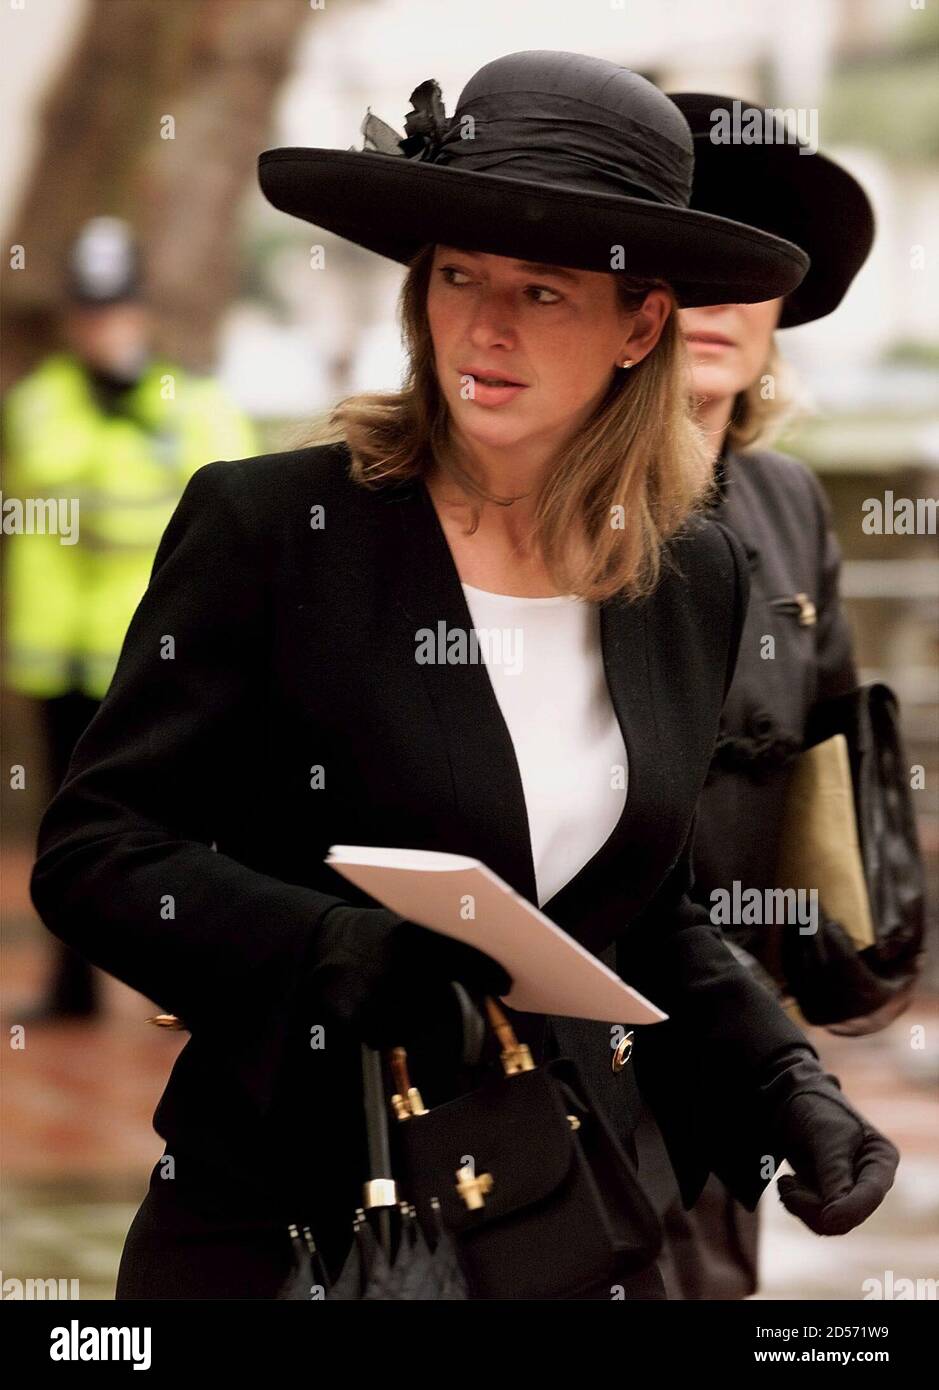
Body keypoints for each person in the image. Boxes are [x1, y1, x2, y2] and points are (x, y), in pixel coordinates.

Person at [29, 52, 897, 1302]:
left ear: (641, 323)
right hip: (291, 1228)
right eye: (457, 278)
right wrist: (331, 950)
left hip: (570, 1215)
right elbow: (97, 853)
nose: (483, 329)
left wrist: (783, 1084)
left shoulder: (693, 574)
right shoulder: (271, 527)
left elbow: (639, 911)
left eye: (542, 292)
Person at [633, 92, 895, 1300]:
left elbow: (829, 759)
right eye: (693, 261)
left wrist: (860, 929)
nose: (720, 299)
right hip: (579, 1008)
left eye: (752, 267)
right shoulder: (550, 496)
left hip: (741, 1026)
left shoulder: (791, 502)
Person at [4, 217, 257, 1020]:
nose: (101, 328)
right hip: (60, 656)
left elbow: (221, 517)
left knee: (177, 827)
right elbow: (45, 494)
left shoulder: (198, 402)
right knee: (70, 830)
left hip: (160, 661)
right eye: (87, 312)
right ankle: (71, 988)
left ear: (141, 313)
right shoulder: (40, 403)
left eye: (114, 310)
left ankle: (179, 984)